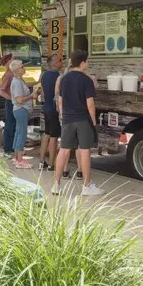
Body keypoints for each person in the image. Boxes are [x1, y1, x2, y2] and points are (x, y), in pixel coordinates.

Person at [52, 50, 105, 196]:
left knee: (63, 150)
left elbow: (60, 100)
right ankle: (86, 186)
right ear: (82, 63)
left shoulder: (64, 79)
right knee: (85, 151)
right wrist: (93, 120)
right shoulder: (86, 80)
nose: (87, 64)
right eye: (87, 62)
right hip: (83, 119)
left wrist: (63, 115)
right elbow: (90, 104)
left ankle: (56, 185)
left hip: (68, 119)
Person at [10, 59, 40, 169]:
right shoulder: (17, 82)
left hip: (20, 110)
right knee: (21, 134)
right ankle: (19, 160)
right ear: (17, 70)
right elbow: (19, 100)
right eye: (22, 67)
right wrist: (31, 96)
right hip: (21, 109)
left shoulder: (19, 80)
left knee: (19, 132)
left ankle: (17, 157)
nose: (24, 68)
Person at [39, 54, 63, 171]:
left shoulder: (44, 76)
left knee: (46, 134)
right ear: (53, 63)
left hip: (46, 108)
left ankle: (41, 161)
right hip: (54, 110)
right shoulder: (58, 77)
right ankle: (51, 164)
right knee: (54, 137)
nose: (61, 62)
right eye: (59, 60)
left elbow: (43, 95)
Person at [0, 53, 16, 156]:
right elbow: (1, 91)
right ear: (9, 62)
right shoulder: (8, 75)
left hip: (13, 102)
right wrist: (12, 99)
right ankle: (7, 149)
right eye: (13, 59)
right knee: (9, 125)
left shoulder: (12, 74)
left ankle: (11, 147)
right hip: (11, 103)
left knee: (13, 125)